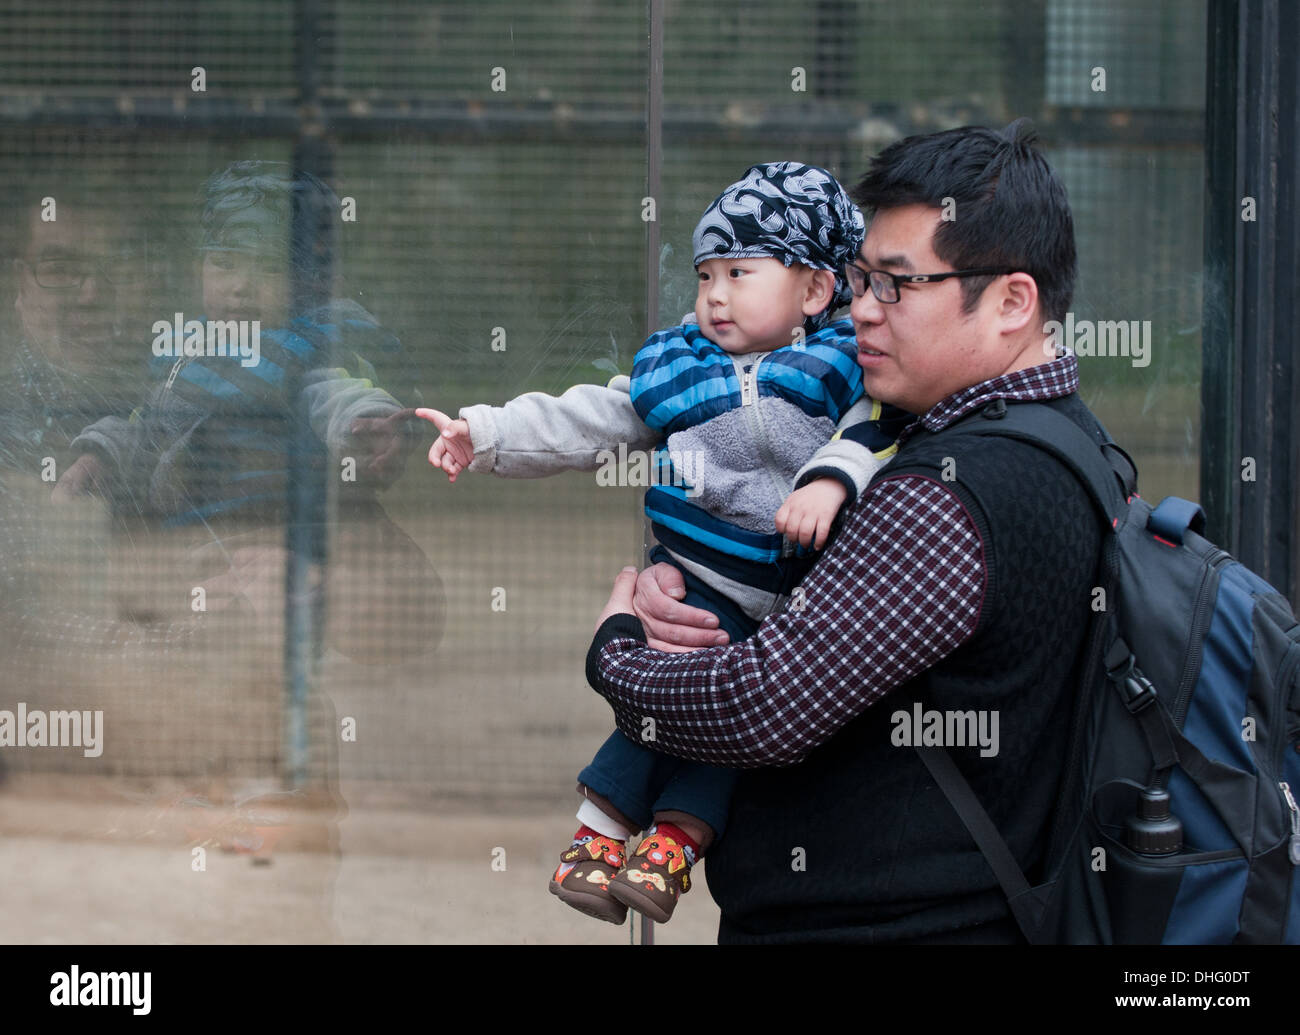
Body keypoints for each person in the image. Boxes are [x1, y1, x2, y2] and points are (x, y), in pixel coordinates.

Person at [586, 120, 1106, 943]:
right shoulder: (1075, 441)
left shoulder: (949, 492)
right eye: (860, 278)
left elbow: (761, 704)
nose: (860, 309)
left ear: (1012, 300)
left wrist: (617, 651)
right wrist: (703, 587)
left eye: (897, 284)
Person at [419, 162, 909, 925]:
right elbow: (595, 418)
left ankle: (670, 848)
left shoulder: (844, 366)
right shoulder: (684, 367)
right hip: (694, 579)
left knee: (721, 729)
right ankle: (599, 837)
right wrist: (485, 432)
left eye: (740, 272)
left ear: (815, 291)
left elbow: (874, 428)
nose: (714, 294)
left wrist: (831, 481)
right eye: (705, 274)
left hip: (783, 600)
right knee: (656, 710)